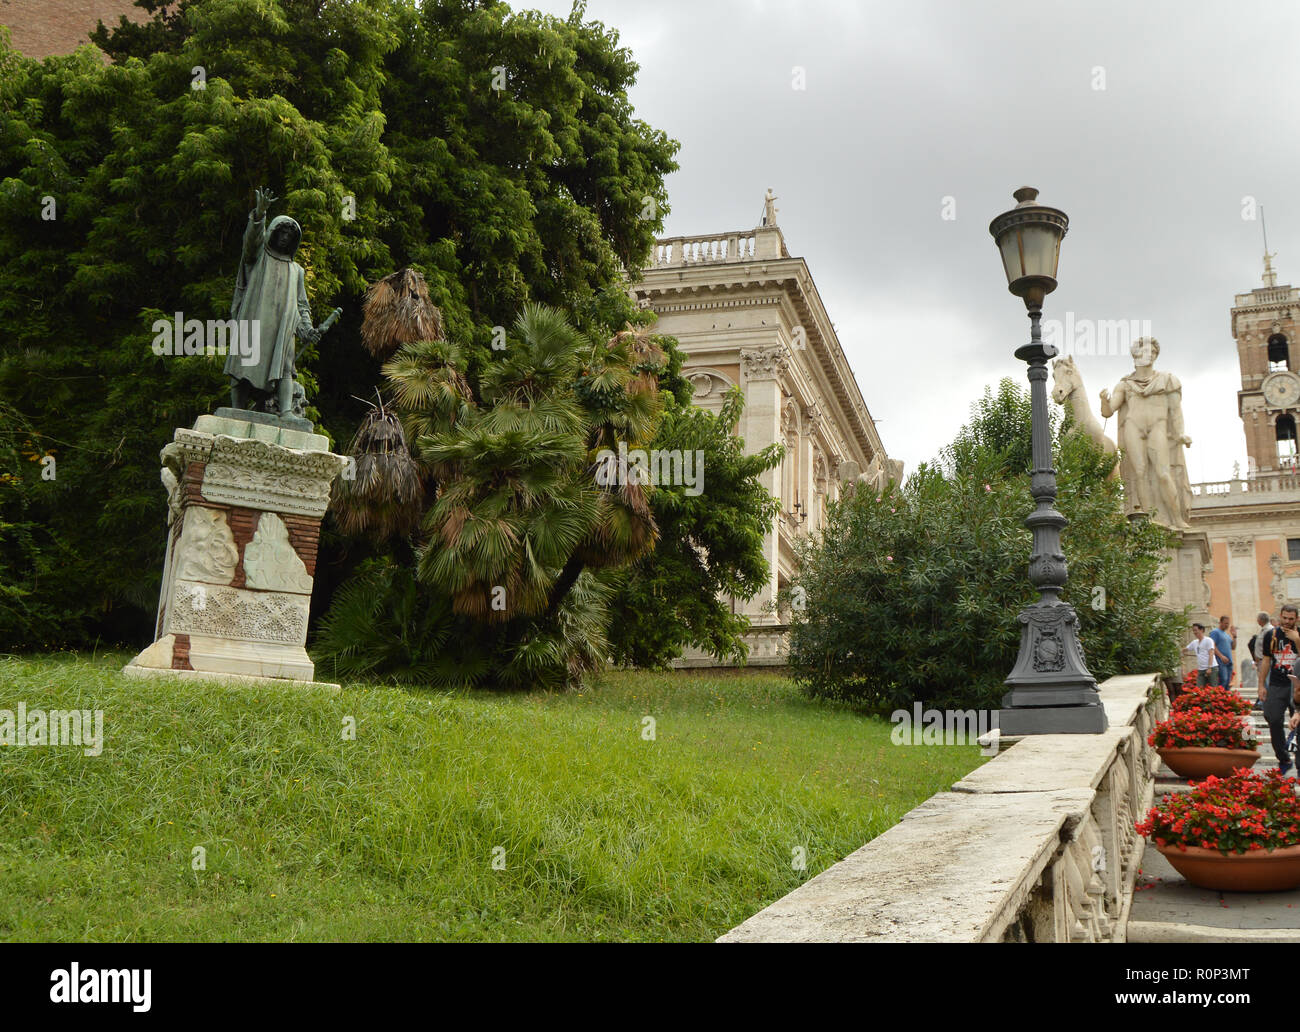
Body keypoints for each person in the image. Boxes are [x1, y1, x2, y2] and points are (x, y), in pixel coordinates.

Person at [1262, 604, 1300, 777]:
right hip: (1277, 685)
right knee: (1273, 718)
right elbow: (1266, 661)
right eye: (1285, 617)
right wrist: (1261, 685)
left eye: (1291, 619)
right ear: (1280, 616)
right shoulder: (1271, 635)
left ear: (1296, 619)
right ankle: (1283, 757)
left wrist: (1297, 639)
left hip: (1298, 686)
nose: (1287, 621)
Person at [1210, 616, 1234, 690]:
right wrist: (1221, 656)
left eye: (1228, 624)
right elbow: (1212, 645)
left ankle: (1225, 698)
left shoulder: (1227, 635)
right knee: (1223, 680)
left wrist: (1235, 637)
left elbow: (1233, 647)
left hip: (1229, 662)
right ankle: (1220, 697)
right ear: (1220, 622)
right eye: (1225, 623)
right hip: (1220, 661)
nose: (1227, 625)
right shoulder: (1215, 632)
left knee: (1227, 682)